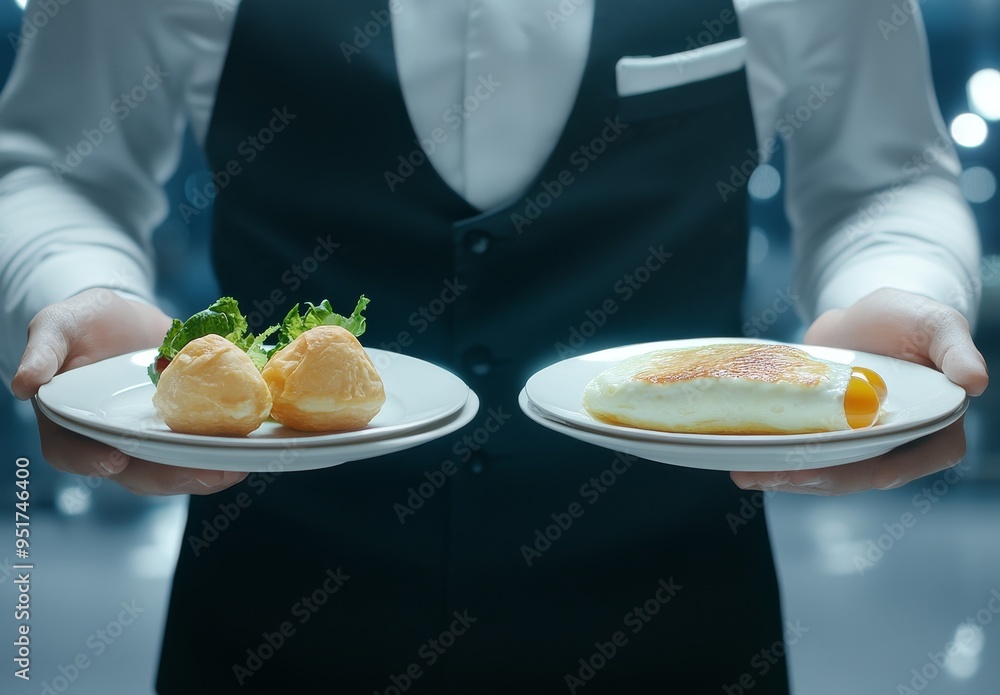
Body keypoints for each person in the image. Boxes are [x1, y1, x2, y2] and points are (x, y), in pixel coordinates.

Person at [0, 0, 988, 692]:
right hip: (281, 617)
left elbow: (883, 173)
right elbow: (59, 158)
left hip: (673, 619)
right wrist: (78, 283)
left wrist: (894, 293)